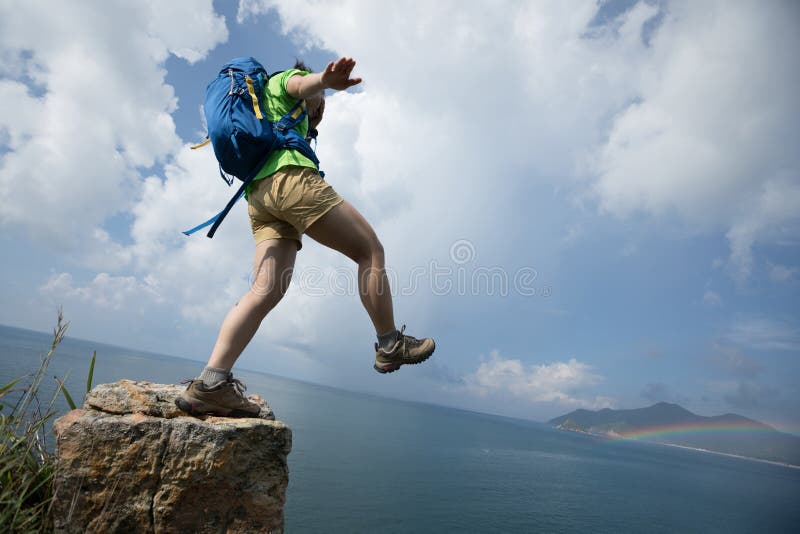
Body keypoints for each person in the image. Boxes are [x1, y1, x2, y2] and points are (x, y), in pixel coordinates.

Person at [176, 57, 435, 417]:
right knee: (370, 250)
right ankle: (390, 343)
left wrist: (317, 96)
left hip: (259, 198)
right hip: (290, 181)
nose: (322, 110)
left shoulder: (270, 111)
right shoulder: (286, 82)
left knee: (264, 291)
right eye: (322, 104)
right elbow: (301, 85)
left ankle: (211, 383)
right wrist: (322, 80)